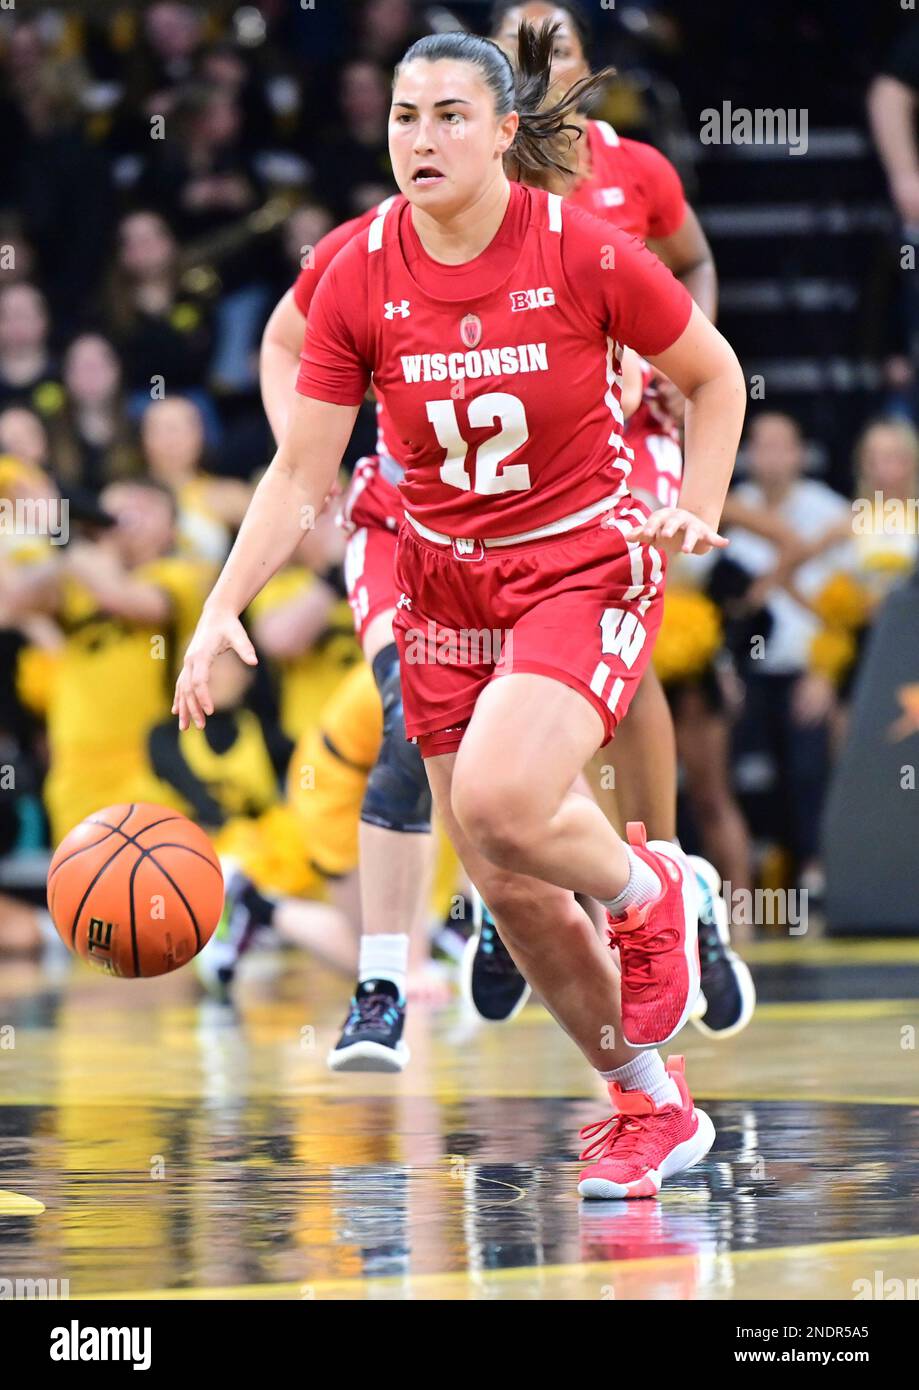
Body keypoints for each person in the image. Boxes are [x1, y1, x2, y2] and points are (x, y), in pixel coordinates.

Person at [174, 23, 746, 1198]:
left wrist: (694, 500)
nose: (421, 137)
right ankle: (650, 1104)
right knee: (503, 871)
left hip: (578, 558)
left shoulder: (581, 248)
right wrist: (220, 606)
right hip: (442, 577)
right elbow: (298, 474)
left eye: (447, 116)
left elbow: (714, 371)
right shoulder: (354, 264)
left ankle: (654, 890)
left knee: (496, 796)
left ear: (500, 134)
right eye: (402, 116)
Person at [487, 1, 753, 1034]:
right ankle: (514, 882)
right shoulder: (478, 167)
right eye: (514, 49)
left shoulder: (634, 169)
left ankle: (657, 872)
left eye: (550, 48)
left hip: (619, 430)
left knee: (619, 652)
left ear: (587, 69)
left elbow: (689, 264)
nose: (533, 66)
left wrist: (687, 357)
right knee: (486, 650)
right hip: (508, 447)